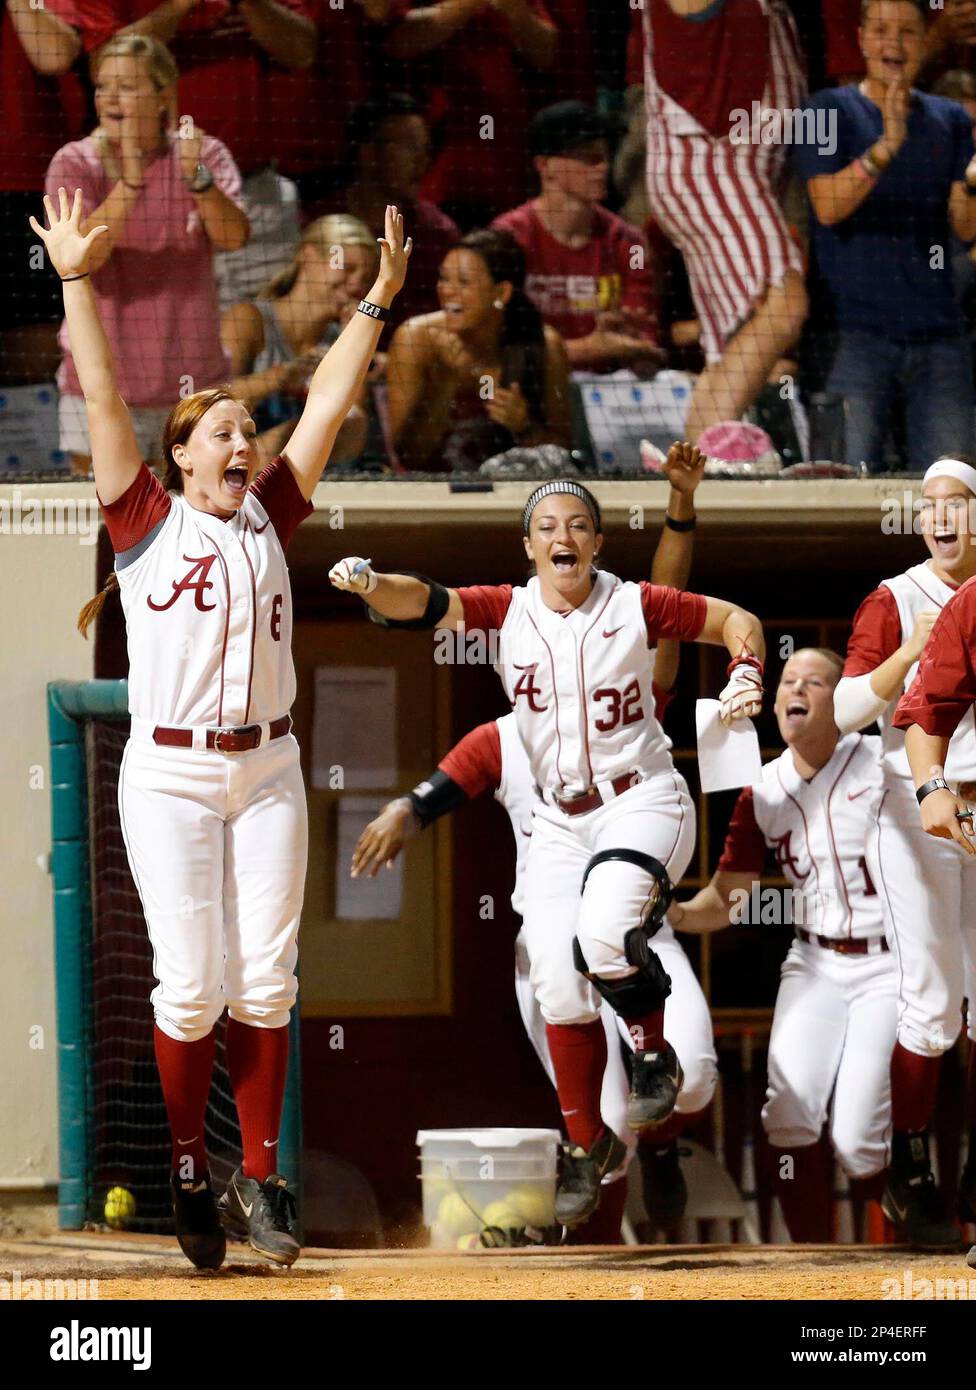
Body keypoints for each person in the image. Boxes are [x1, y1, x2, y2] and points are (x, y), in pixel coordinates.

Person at [32, 184, 411, 1269]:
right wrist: (74, 279)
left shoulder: (269, 512)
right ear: (182, 454)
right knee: (192, 985)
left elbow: (330, 403)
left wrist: (378, 300)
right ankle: (188, 1176)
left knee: (271, 982)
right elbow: (103, 396)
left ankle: (262, 1177)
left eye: (248, 425)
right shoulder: (142, 518)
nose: (245, 437)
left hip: (272, 766)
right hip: (170, 777)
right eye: (223, 429)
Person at [328, 475, 764, 1225]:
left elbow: (736, 618)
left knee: (603, 939)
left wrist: (747, 671)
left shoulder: (632, 604)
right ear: (528, 546)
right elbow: (422, 599)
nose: (563, 535)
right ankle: (590, 1145)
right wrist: (371, 582)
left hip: (640, 799)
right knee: (560, 989)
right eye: (547, 526)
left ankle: (653, 1059)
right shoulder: (509, 610)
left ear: (596, 542)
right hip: (563, 825)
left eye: (579, 524)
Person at [673, 648, 897, 1243]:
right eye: (787, 682)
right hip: (814, 961)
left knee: (856, 1140)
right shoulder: (762, 791)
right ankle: (813, 1265)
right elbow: (729, 898)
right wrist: (670, 914)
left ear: (842, 697)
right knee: (789, 1113)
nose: (797, 689)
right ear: (773, 705)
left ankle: (904, 1252)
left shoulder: (882, 763)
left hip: (891, 963)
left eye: (815, 681)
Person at [833, 455, 976, 1248]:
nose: (944, 516)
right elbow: (848, 712)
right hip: (914, 803)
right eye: (931, 506)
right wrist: (912, 645)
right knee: (929, 996)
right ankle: (911, 1166)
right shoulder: (897, 597)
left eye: (958, 503)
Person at [45, 34, 249, 475]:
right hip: (99, 386)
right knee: (103, 527)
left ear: (163, 96)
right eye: (103, 86)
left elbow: (234, 237)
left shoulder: (203, 154)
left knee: (197, 521)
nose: (110, 98)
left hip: (192, 388)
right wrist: (131, 181)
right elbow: (82, 258)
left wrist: (196, 177)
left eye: (127, 86)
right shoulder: (75, 162)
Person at [793, 0, 976, 471]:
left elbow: (964, 225)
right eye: (880, 30)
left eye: (907, 32)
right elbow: (828, 207)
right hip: (852, 337)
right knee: (841, 486)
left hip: (939, 338)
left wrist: (974, 181)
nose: (893, 44)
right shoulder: (825, 109)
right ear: (860, 39)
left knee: (953, 487)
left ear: (923, 42)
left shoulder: (951, 120)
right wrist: (887, 146)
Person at [641, 0, 808, 444]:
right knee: (785, 305)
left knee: (726, 351)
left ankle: (689, 471)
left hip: (731, 173)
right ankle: (709, 462)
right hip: (712, 167)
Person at [891, 529, 976, 1271]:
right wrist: (931, 786)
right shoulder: (972, 605)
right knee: (941, 1001)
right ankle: (910, 1163)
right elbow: (927, 710)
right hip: (957, 819)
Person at [492, 100, 662, 375]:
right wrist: (592, 347)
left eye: (605, 157)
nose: (602, 168)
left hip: (607, 397)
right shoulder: (509, 238)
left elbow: (647, 356)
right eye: (588, 158)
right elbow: (495, 350)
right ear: (545, 165)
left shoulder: (628, 242)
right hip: (528, 391)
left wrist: (635, 346)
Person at [386, 228, 571, 470]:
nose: (447, 291)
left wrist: (525, 427)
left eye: (463, 282)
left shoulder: (543, 345)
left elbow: (563, 450)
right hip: (429, 489)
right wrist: (445, 384)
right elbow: (407, 456)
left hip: (514, 487)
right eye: (444, 278)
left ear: (501, 292)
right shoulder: (415, 338)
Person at [386, 0, 558, 228]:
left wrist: (515, 10)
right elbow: (399, 40)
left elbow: (547, 52)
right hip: (438, 164)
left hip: (503, 160)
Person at [222, 214, 379, 464]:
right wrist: (280, 377)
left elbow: (354, 429)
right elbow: (214, 401)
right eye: (347, 268)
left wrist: (355, 340)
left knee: (349, 419)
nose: (358, 282)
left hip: (315, 476)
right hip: (238, 465)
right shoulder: (249, 320)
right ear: (307, 256)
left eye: (367, 276)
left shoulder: (339, 338)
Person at [309, 93, 460, 331]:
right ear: (368, 152)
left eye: (425, 148)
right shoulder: (320, 223)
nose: (422, 161)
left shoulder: (438, 232)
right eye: (410, 146)